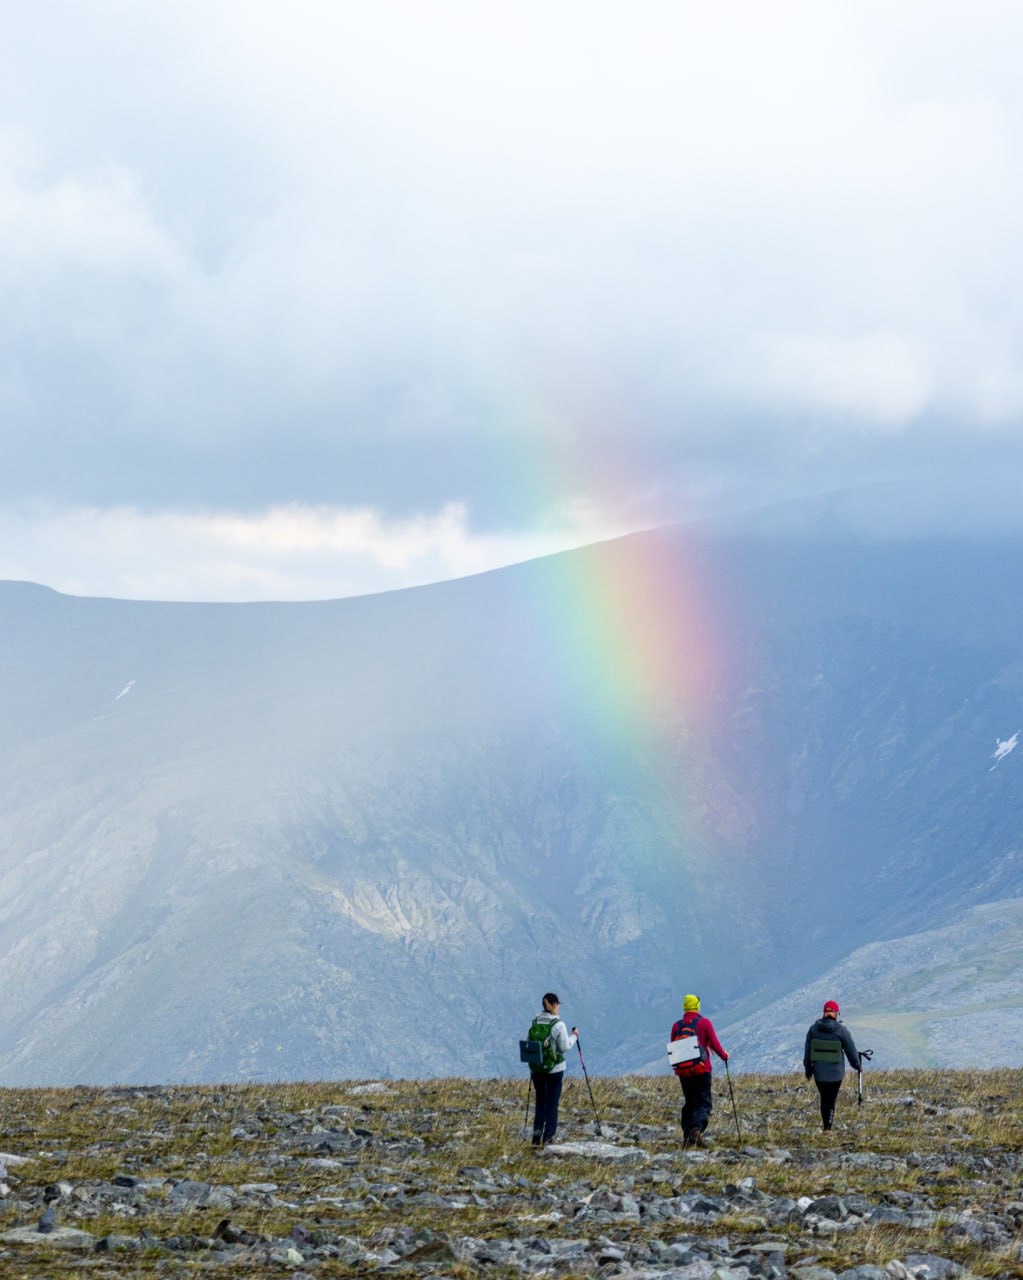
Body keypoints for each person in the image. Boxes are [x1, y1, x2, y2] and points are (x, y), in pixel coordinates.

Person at [669, 993, 729, 1147]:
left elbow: (674, 1048)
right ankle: (696, 1130)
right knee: (704, 1103)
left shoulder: (677, 1026)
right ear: (697, 1006)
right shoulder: (704, 1023)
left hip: (684, 1071)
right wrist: (724, 1056)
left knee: (690, 1102)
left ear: (685, 1007)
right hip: (702, 1070)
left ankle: (687, 1136)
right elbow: (714, 1044)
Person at [528, 992, 578, 1146]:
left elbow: (529, 1042)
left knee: (540, 1101)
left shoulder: (536, 1021)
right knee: (552, 1103)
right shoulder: (558, 1025)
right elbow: (564, 1047)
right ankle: (548, 1136)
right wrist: (574, 1036)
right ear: (555, 1005)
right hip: (554, 1069)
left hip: (537, 1069)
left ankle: (536, 1135)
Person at [803, 999, 861, 1132]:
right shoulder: (841, 1031)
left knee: (824, 1099)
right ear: (836, 1013)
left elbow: (807, 1052)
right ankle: (828, 1128)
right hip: (836, 1074)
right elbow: (851, 1051)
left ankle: (826, 1127)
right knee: (831, 1099)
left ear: (824, 1013)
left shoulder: (813, 1030)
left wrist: (808, 1069)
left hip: (819, 1073)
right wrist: (857, 1065)